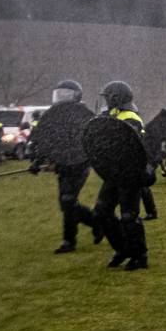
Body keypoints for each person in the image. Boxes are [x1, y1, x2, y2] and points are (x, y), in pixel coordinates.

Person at [29, 80, 101, 254]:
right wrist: (37, 161)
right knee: (65, 204)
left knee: (68, 201)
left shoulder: (84, 114)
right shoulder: (51, 115)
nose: (62, 97)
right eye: (59, 94)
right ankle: (98, 223)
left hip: (79, 164)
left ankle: (69, 241)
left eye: (66, 94)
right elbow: (43, 141)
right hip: (62, 166)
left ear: (76, 96)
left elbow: (93, 138)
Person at [94, 81, 152, 271]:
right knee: (102, 210)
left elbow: (128, 147)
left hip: (130, 173)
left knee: (129, 216)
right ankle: (122, 248)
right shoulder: (110, 115)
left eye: (108, 97)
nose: (106, 101)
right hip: (113, 173)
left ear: (115, 98)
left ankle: (139, 255)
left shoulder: (130, 118)